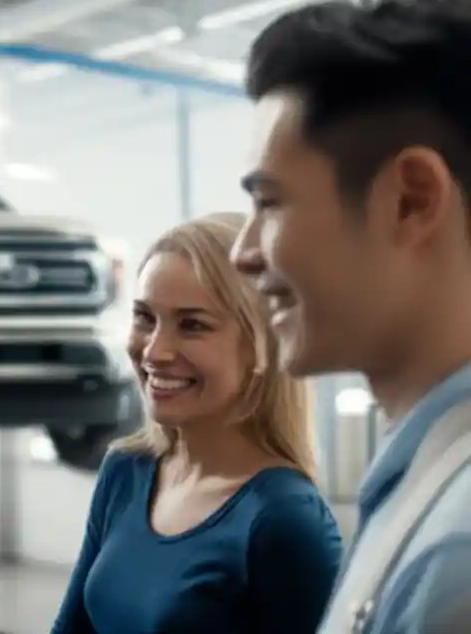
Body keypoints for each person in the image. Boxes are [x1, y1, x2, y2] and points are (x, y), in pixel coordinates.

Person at [233, 0, 471, 633]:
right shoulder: (428, 478)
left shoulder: (455, 560)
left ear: (411, 200)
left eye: (270, 203)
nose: (242, 253)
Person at [51, 213, 342, 634]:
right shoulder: (126, 471)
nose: (155, 351)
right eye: (145, 318)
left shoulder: (284, 519)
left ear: (261, 347)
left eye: (192, 325)